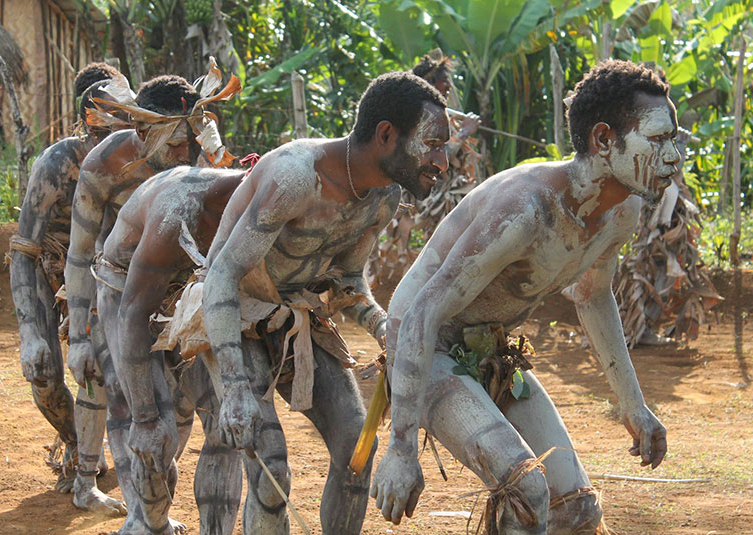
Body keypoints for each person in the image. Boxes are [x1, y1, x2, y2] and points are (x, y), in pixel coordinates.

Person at [372, 59, 676, 534]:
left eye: (673, 139)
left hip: (490, 349)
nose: (675, 156)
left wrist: (633, 406)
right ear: (603, 141)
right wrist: (401, 449)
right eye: (657, 140)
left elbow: (593, 297)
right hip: (423, 346)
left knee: (577, 509)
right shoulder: (525, 210)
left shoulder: (622, 211)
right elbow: (420, 315)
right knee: (527, 489)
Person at [198, 71, 449, 534]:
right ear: (386, 135)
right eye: (433, 144)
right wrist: (233, 385)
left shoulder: (383, 196)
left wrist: (382, 326)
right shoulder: (297, 176)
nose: (443, 162)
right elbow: (222, 274)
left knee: (358, 447)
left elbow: (347, 280)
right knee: (271, 469)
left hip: (299, 317)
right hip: (233, 315)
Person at [65, 74, 202, 535]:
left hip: (179, 294)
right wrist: (80, 334)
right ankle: (143, 520)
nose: (187, 154)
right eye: (177, 144)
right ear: (144, 133)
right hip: (114, 293)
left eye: (193, 142)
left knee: (180, 409)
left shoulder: (201, 156)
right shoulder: (104, 165)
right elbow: (80, 253)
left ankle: (151, 504)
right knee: (129, 401)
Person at [95, 165, 245, 535]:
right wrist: (144, 417)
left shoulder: (260, 205)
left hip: (191, 295)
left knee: (224, 425)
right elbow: (134, 310)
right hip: (126, 297)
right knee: (154, 433)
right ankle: (149, 524)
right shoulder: (177, 209)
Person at [8, 61, 126, 515]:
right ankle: (77, 443)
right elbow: (24, 247)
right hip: (48, 267)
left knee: (97, 363)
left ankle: (100, 456)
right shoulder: (58, 164)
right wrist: (30, 332)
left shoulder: (138, 160)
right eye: (105, 133)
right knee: (42, 371)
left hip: (101, 271)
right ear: (88, 127)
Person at [371, 52, 481, 285]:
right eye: (444, 86)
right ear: (428, 86)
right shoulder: (418, 118)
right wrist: (464, 133)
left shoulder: (440, 116)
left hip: (444, 200)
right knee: (422, 259)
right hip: (423, 203)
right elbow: (432, 158)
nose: (449, 88)